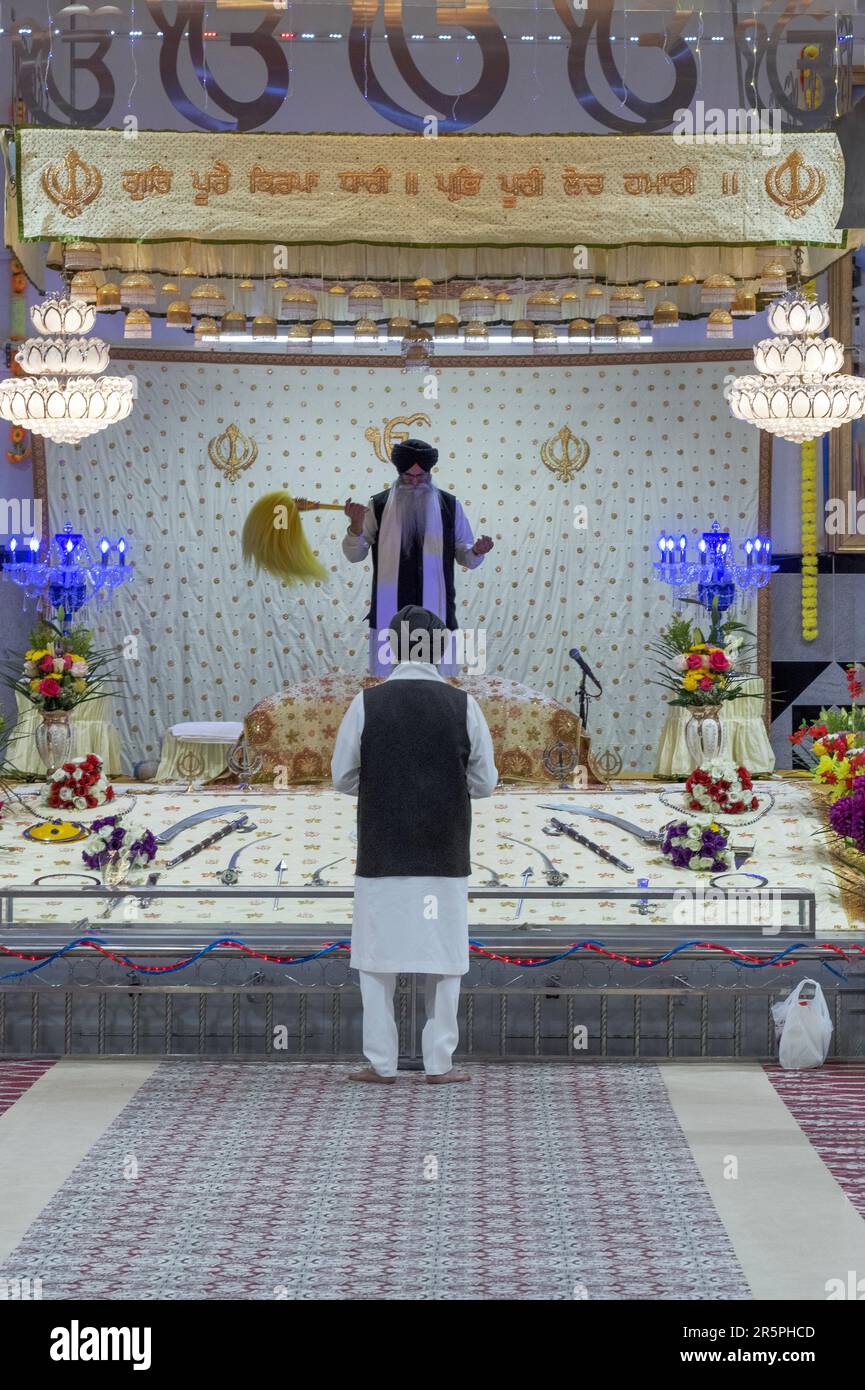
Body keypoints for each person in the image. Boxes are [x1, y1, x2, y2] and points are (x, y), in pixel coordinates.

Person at [331, 604, 498, 1084]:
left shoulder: (367, 703)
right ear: (441, 648)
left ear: (391, 647)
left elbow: (342, 778)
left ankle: (381, 1064)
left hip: (383, 849)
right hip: (443, 850)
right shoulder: (464, 705)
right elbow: (485, 783)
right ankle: (439, 1064)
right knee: (443, 960)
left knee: (375, 961)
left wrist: (387, 781)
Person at [342, 438, 494, 676]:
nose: (414, 483)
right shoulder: (378, 505)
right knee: (387, 684)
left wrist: (476, 551)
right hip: (388, 612)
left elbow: (465, 555)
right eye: (408, 477)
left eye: (420, 477)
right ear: (398, 474)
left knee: (439, 683)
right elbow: (355, 555)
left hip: (437, 613)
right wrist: (356, 527)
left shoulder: (449, 505)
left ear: (429, 474)